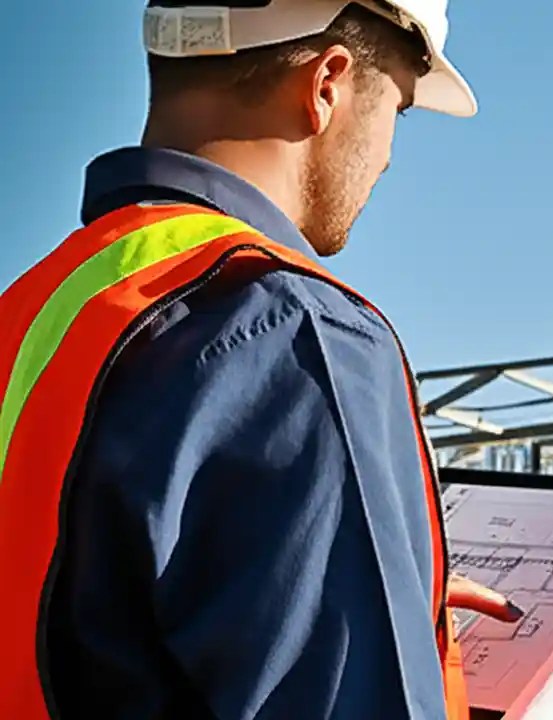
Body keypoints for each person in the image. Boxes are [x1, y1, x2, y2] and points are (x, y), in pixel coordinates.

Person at [0, 1, 514, 718]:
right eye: (398, 108)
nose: (391, 153)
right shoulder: (297, 333)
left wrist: (384, 594)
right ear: (328, 83)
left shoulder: (39, 306)